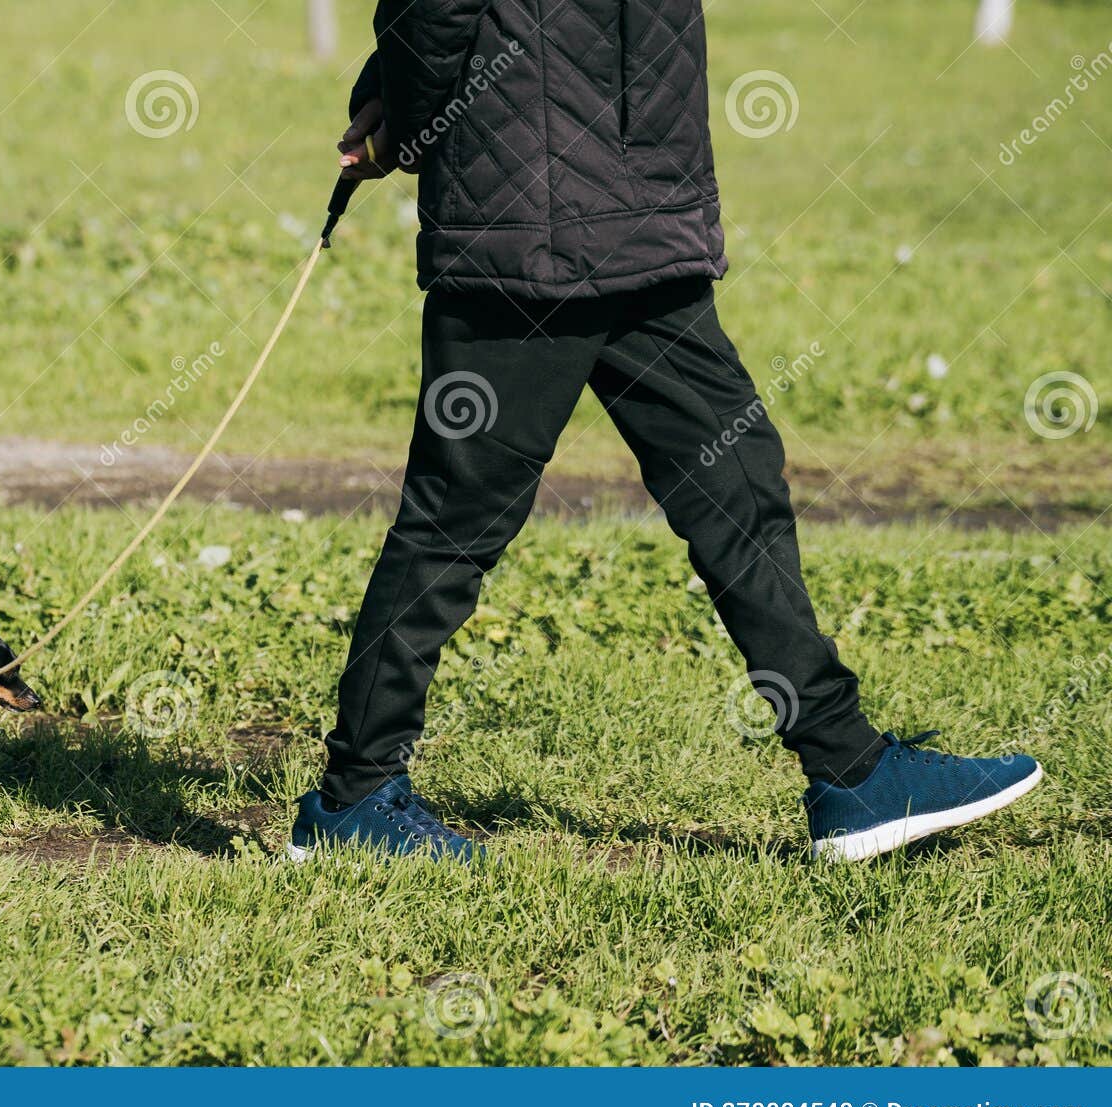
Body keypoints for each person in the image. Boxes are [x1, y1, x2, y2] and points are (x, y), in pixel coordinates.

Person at [288, 0, 1039, 863]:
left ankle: (851, 769)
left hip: (640, 210)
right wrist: (413, 116)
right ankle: (353, 798)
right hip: (529, 225)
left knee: (736, 478)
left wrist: (398, 96)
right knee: (455, 519)